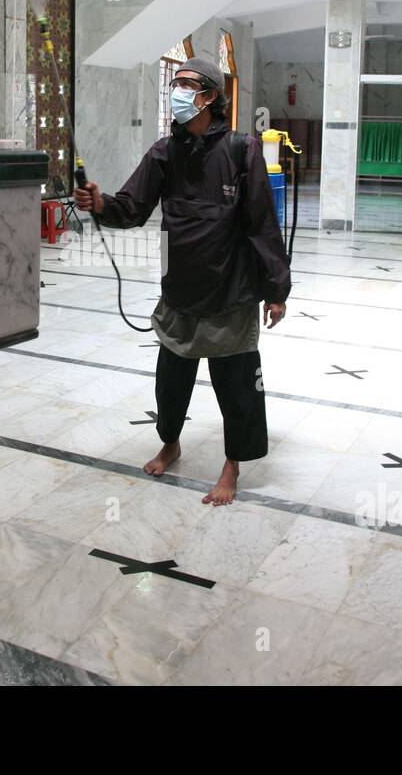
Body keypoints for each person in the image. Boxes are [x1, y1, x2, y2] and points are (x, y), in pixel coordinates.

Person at [74, 56, 291, 506]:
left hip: (232, 289)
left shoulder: (240, 149)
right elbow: (132, 208)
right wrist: (100, 203)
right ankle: (170, 442)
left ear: (210, 96)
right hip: (180, 287)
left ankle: (232, 465)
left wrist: (276, 289)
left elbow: (261, 223)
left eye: (187, 85)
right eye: (174, 84)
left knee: (236, 385)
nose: (178, 93)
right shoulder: (163, 152)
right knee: (171, 381)